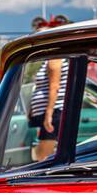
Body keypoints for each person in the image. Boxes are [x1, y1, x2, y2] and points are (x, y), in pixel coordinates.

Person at [28, 15, 70, 160]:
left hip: (53, 112)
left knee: (43, 155)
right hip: (48, 112)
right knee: (43, 153)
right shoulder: (49, 58)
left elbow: (54, 87)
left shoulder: (55, 56)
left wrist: (48, 114)